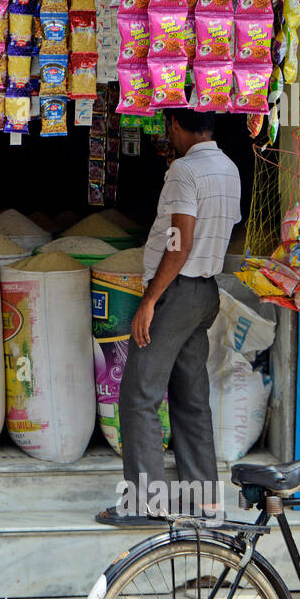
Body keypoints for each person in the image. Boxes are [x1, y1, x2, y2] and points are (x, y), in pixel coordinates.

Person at [96, 110, 241, 526]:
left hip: (176, 293)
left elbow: (179, 243)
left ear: (176, 125)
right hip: (205, 291)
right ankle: (205, 501)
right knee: (191, 397)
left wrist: (149, 300)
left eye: (169, 128)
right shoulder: (229, 168)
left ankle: (146, 503)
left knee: (138, 394)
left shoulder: (184, 171)